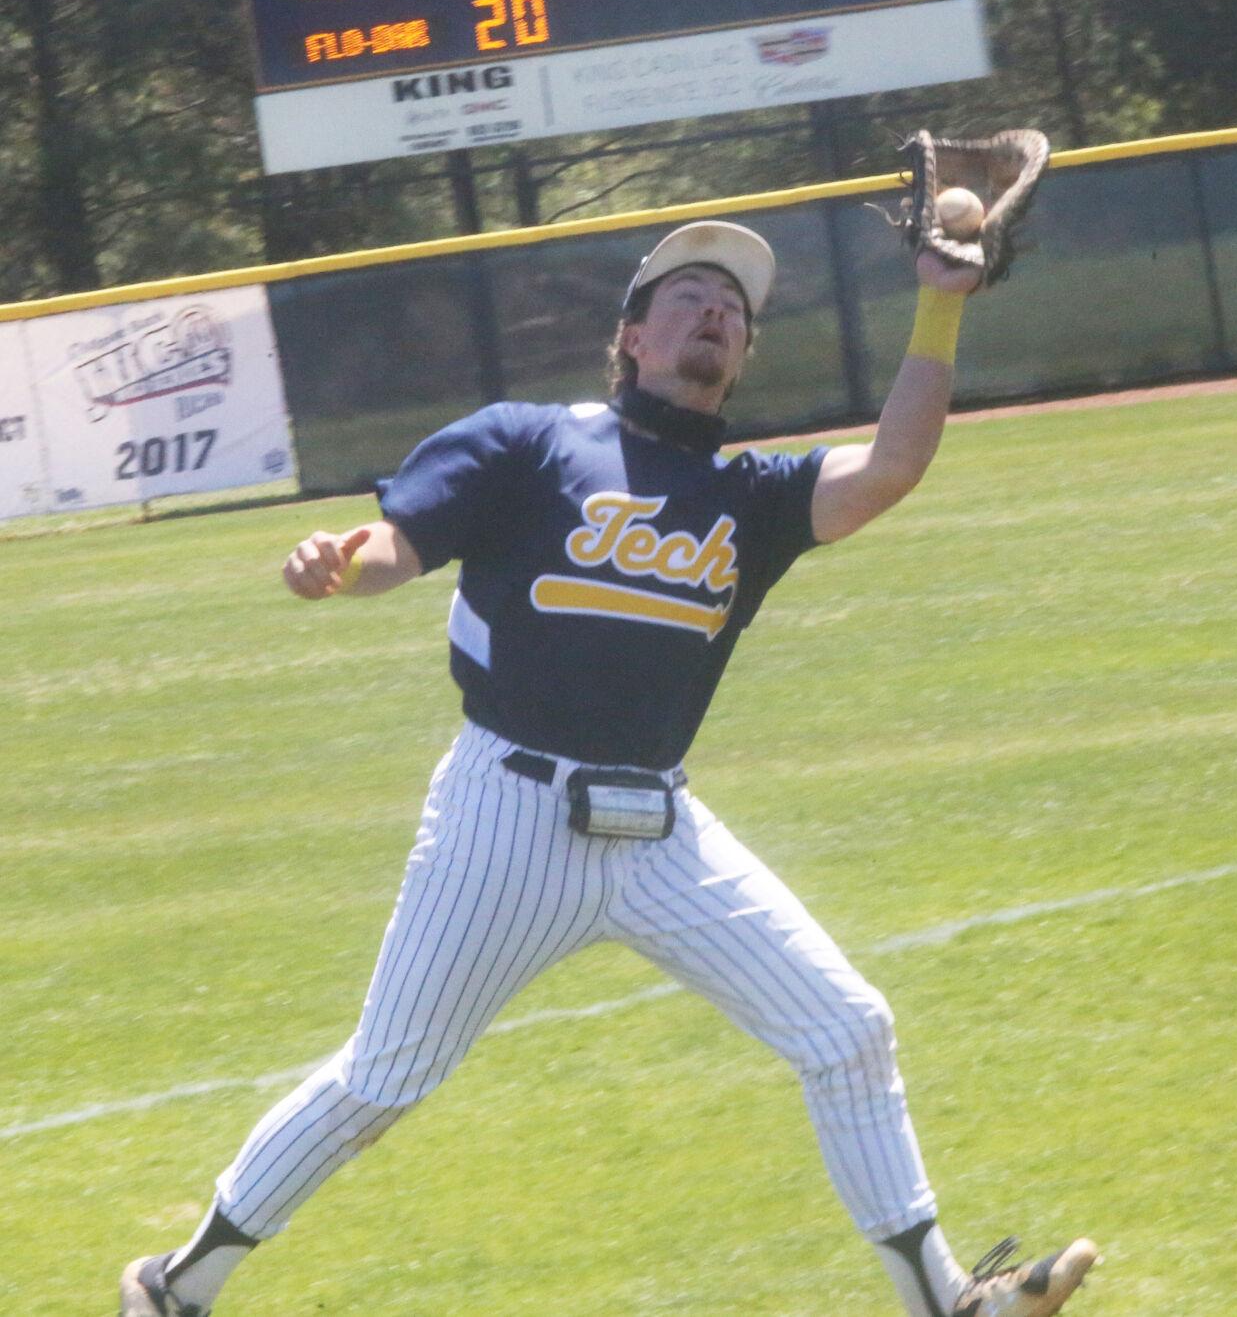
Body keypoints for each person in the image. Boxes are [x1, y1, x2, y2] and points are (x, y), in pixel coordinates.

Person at [121, 219, 1097, 1317]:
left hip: (664, 833)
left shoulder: (748, 497)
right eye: (686, 296)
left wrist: (940, 303)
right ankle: (173, 1289)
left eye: (731, 309)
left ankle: (943, 1301)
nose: (714, 314)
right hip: (507, 817)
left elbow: (892, 465)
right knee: (385, 1078)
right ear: (630, 336)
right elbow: (398, 543)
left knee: (846, 1029)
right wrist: (338, 569)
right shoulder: (528, 443)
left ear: (740, 354)